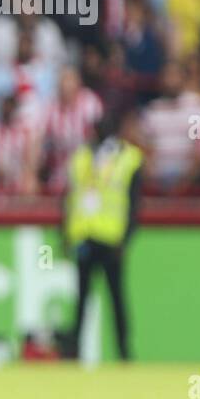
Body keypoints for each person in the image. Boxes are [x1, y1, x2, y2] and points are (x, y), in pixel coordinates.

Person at [63, 114, 144, 360]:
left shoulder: (129, 158)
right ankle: (74, 351)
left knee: (116, 299)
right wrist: (67, 233)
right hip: (85, 236)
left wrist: (127, 237)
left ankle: (123, 352)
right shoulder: (81, 157)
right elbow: (70, 199)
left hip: (111, 239)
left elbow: (134, 203)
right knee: (81, 300)